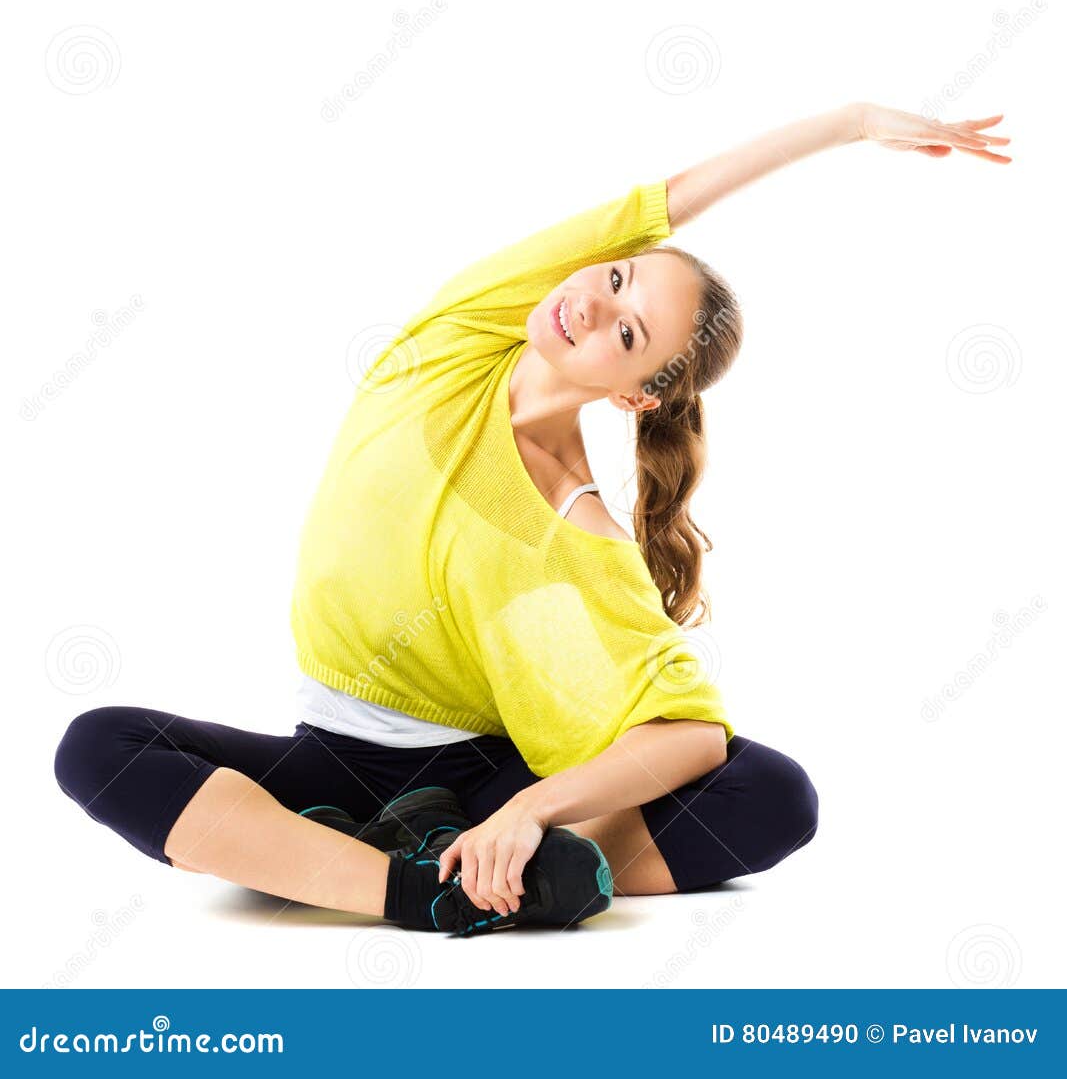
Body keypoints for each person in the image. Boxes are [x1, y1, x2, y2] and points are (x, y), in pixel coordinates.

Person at [54, 102, 1010, 937]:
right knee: (98, 747)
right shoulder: (461, 332)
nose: (594, 307)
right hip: (333, 762)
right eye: (620, 280)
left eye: (627, 335)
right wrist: (843, 123)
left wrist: (532, 811)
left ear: (637, 395)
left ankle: (441, 862)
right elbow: (668, 198)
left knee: (773, 795)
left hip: (480, 783)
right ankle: (429, 889)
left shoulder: (574, 523)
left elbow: (692, 737)